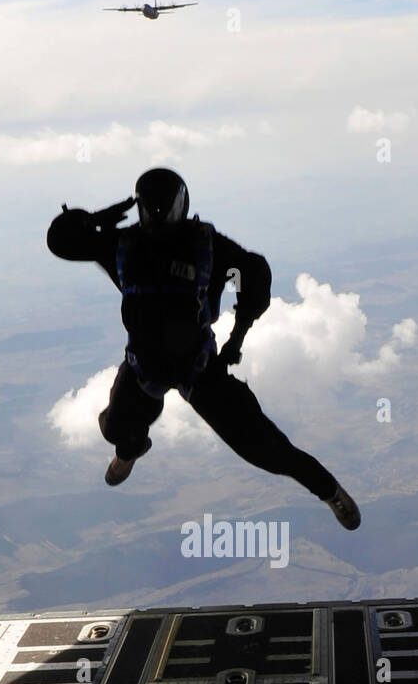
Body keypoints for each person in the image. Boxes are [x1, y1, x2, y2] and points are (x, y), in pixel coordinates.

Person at [46, 168, 361, 528]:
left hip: (194, 366)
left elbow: (254, 272)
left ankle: (330, 491)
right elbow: (60, 242)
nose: (161, 218)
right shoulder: (128, 244)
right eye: (155, 210)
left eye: (165, 209)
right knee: (117, 427)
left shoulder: (193, 245)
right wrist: (88, 221)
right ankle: (130, 450)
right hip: (148, 366)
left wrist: (236, 339)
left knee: (264, 448)